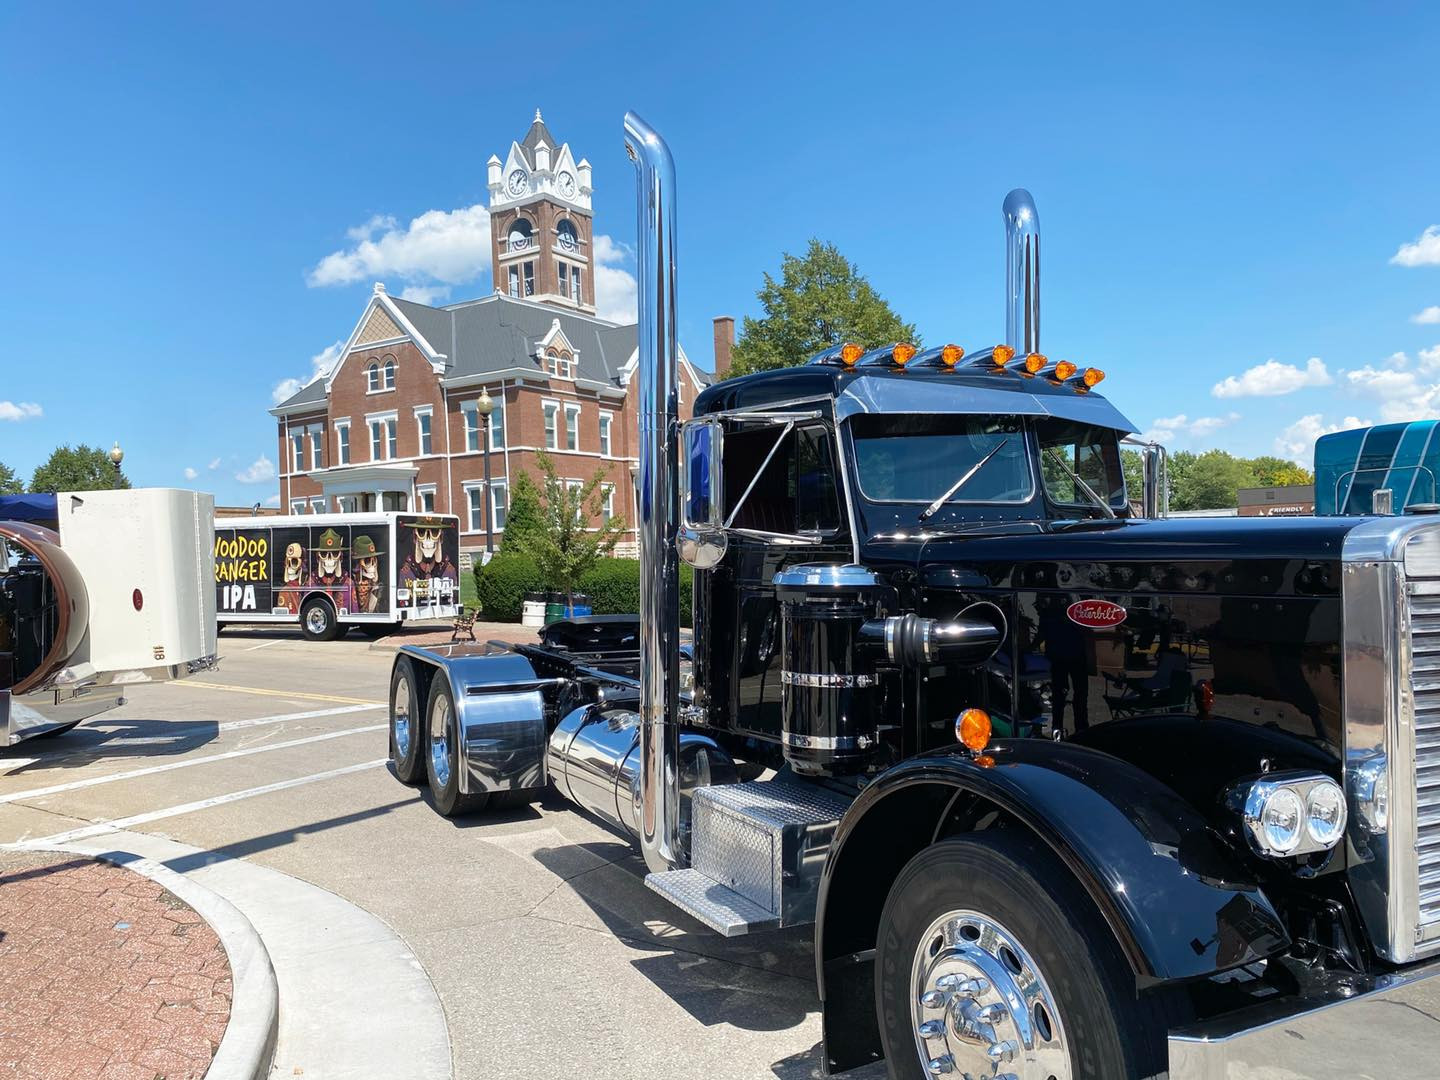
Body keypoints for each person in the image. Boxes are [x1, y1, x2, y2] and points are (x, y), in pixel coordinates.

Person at [351, 534, 384, 614]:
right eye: (367, 560)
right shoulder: (350, 585)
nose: (372, 566)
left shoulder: (378, 590)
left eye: (374, 560)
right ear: (359, 564)